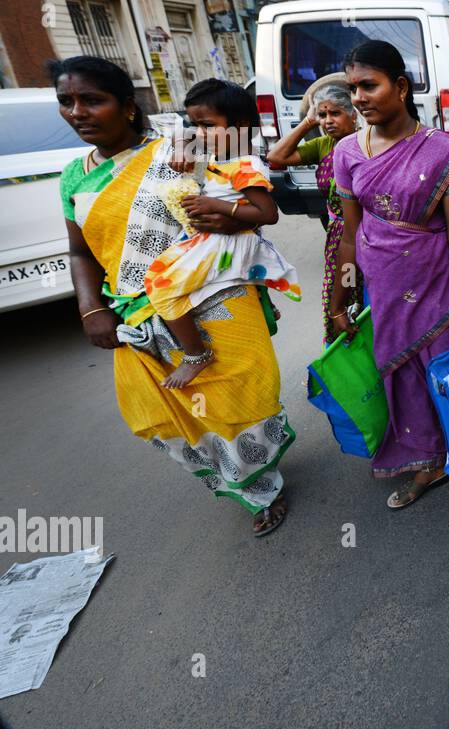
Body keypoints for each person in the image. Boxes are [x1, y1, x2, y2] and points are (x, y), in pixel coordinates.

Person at [53, 56, 293, 537]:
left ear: (127, 108)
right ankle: (250, 489)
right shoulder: (73, 178)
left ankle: (259, 472)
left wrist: (226, 214)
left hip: (212, 295)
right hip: (138, 310)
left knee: (239, 394)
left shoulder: (182, 148)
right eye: (66, 102)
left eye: (92, 100)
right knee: (180, 406)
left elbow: (248, 199)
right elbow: (80, 252)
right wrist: (90, 309)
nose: (77, 111)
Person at [329, 39, 449, 509]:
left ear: (400, 87)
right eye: (352, 87)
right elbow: (349, 235)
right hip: (384, 287)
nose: (358, 97)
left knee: (442, 372)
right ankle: (428, 459)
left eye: (368, 85)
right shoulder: (345, 153)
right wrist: (341, 299)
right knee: (402, 375)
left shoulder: (444, 153)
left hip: (437, 285)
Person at [145, 79, 301, 387]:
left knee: (159, 285)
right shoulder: (220, 157)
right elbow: (181, 134)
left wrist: (214, 204)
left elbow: (268, 214)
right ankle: (262, 302)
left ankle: (195, 354)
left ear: (238, 125)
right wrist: (181, 142)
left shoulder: (245, 165)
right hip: (215, 239)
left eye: (207, 126)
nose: (200, 133)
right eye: (197, 125)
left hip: (228, 242)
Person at [267, 83, 361, 341]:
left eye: (335, 113)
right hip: (340, 234)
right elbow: (275, 157)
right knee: (347, 285)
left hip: (367, 232)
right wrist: (307, 122)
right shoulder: (323, 145)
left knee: (371, 295)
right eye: (323, 115)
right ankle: (350, 351)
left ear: (354, 113)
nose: (328, 121)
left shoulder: (367, 142)